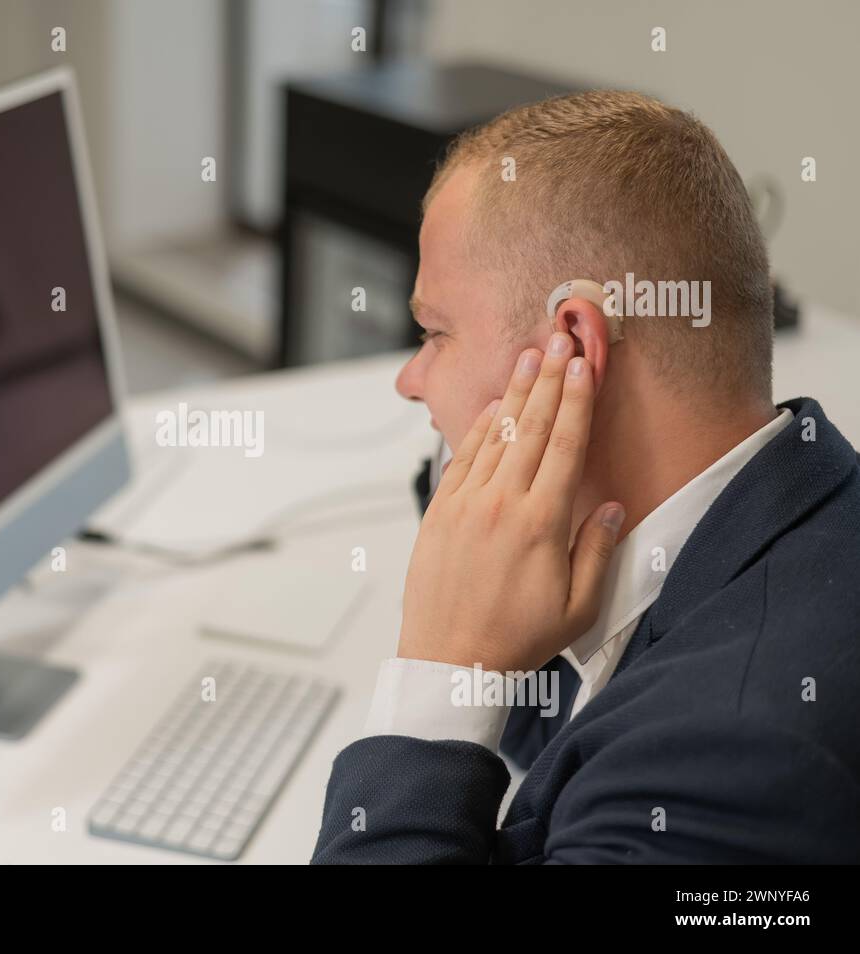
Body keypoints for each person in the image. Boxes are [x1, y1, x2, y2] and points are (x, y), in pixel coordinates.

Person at [311, 90, 860, 864]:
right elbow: (561, 715)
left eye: (436, 333)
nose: (409, 379)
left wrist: (438, 675)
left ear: (572, 341)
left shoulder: (728, 765)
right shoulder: (798, 503)